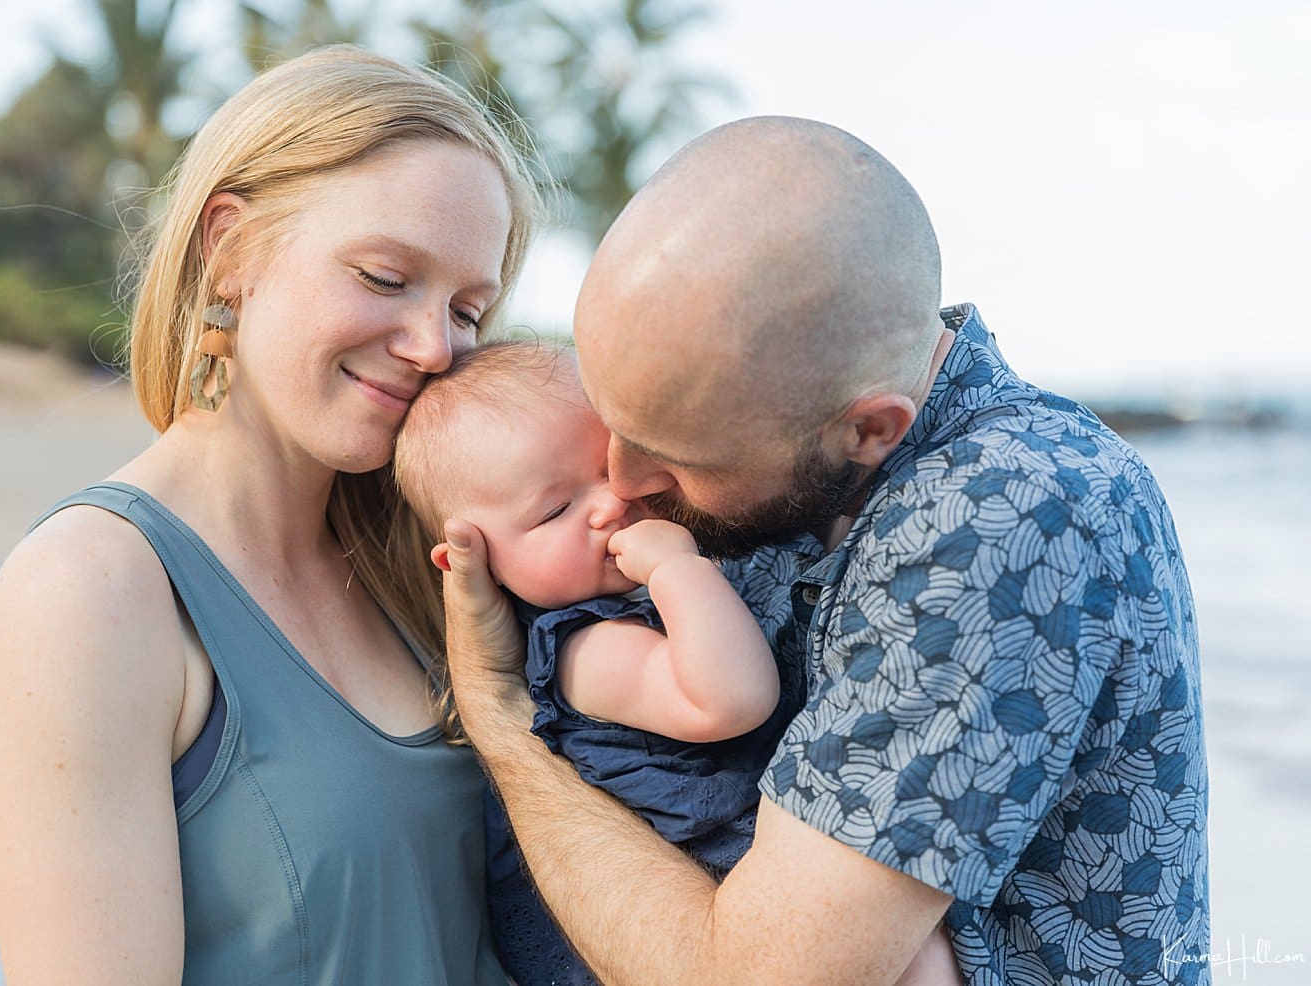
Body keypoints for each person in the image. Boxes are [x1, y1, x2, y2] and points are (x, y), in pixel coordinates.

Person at [438, 117, 1209, 985]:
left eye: (677, 458)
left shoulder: (1004, 513)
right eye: (609, 422)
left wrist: (501, 721)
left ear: (869, 429)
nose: (622, 481)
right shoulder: (777, 429)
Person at [0, 46, 542, 985]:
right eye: (384, 277)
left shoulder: (431, 568)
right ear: (232, 250)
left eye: (468, 311)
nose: (434, 347)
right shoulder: (89, 591)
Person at [396, 339, 962, 986]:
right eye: (555, 510)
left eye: (610, 467)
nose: (610, 503)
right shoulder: (583, 649)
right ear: (471, 561)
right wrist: (676, 568)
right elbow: (732, 698)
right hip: (696, 878)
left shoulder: (637, 588)